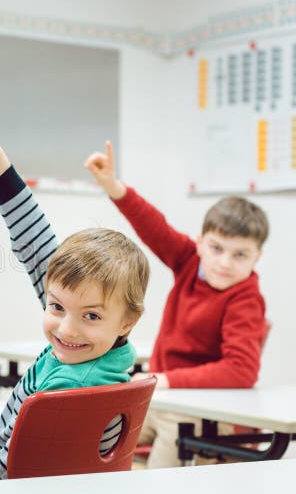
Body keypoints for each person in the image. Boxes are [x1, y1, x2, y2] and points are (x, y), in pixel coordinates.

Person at [0, 85, 151, 481]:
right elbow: (34, 241)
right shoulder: (106, 352)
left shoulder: (68, 389)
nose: (66, 328)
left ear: (127, 321)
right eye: (56, 306)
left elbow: (9, 469)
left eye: (91, 316)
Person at [84, 141, 269, 468]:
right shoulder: (188, 260)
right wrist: (114, 187)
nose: (225, 263)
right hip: (164, 397)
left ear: (257, 257)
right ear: (200, 242)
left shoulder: (246, 298)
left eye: (240, 255)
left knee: (164, 456)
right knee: (94, 439)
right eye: (217, 248)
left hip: (203, 408)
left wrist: (168, 379)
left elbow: (241, 369)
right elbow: (154, 226)